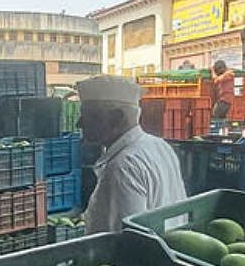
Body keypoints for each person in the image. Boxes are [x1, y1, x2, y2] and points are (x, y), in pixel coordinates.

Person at [78, 75, 186, 234]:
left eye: (89, 116)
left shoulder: (122, 167)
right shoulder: (159, 145)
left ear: (117, 118)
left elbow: (129, 239)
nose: (79, 123)